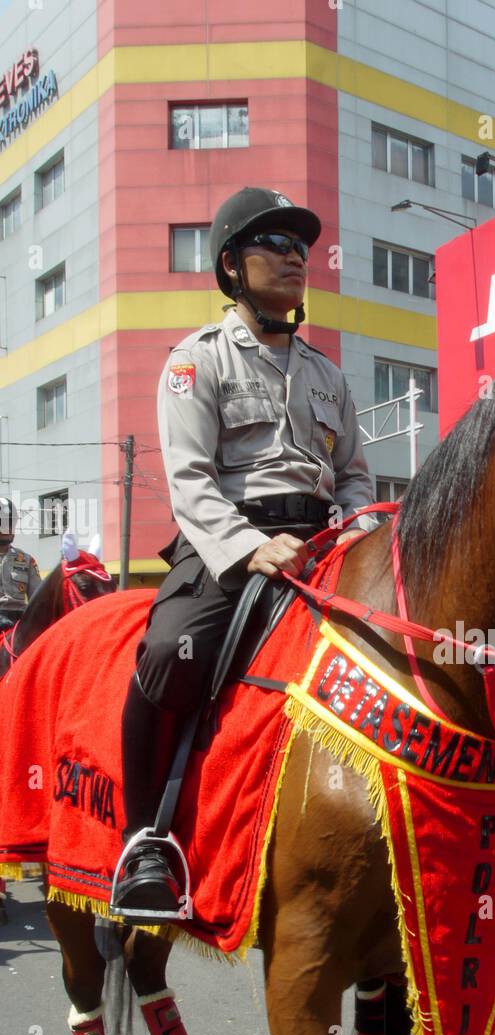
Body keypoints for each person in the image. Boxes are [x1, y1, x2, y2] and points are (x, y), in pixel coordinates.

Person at [114, 187, 378, 916]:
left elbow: (355, 472)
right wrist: (249, 547)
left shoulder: (328, 373)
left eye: (302, 248)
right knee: (169, 652)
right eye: (278, 246)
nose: (298, 259)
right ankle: (144, 844)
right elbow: (189, 480)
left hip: (325, 543)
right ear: (232, 264)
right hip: (230, 542)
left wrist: (359, 527)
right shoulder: (196, 361)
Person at [0, 498, 41, 630]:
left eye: (12, 523)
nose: (9, 528)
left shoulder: (26, 560)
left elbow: (38, 599)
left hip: (21, 623)